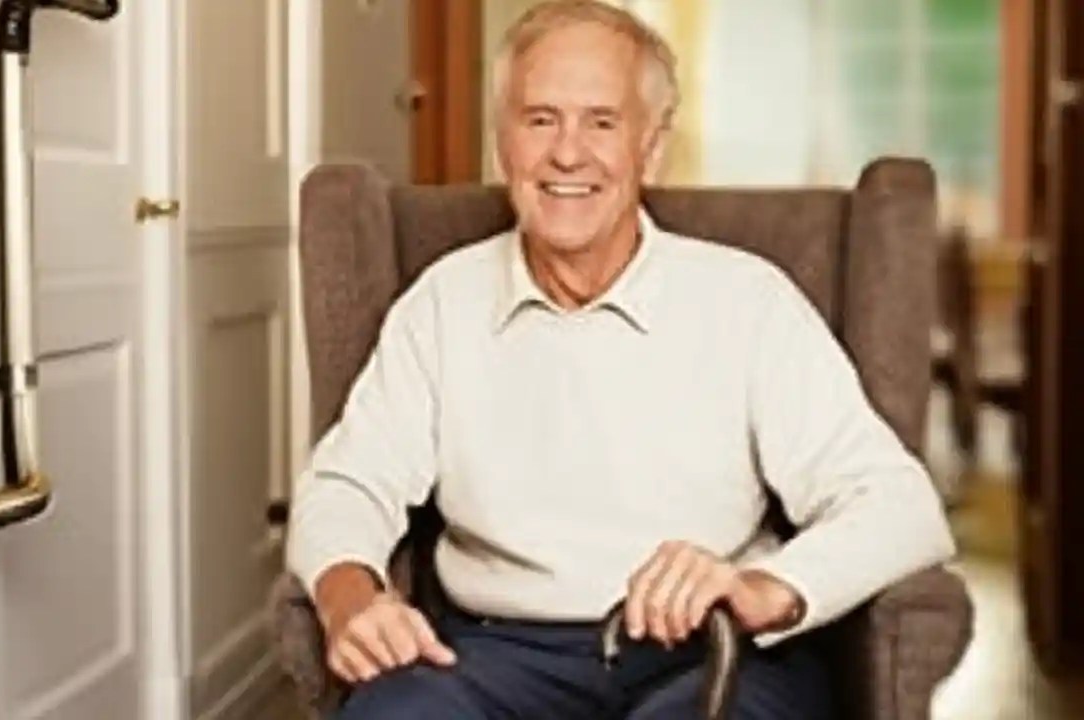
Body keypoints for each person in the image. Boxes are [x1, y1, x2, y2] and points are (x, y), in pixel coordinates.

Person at [286, 1, 955, 718]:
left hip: (709, 650)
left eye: (601, 121)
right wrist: (350, 598)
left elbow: (899, 504)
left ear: (651, 145)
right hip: (492, 654)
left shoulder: (747, 300)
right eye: (539, 118)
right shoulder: (442, 303)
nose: (567, 153)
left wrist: (766, 589)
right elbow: (348, 482)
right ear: (501, 141)